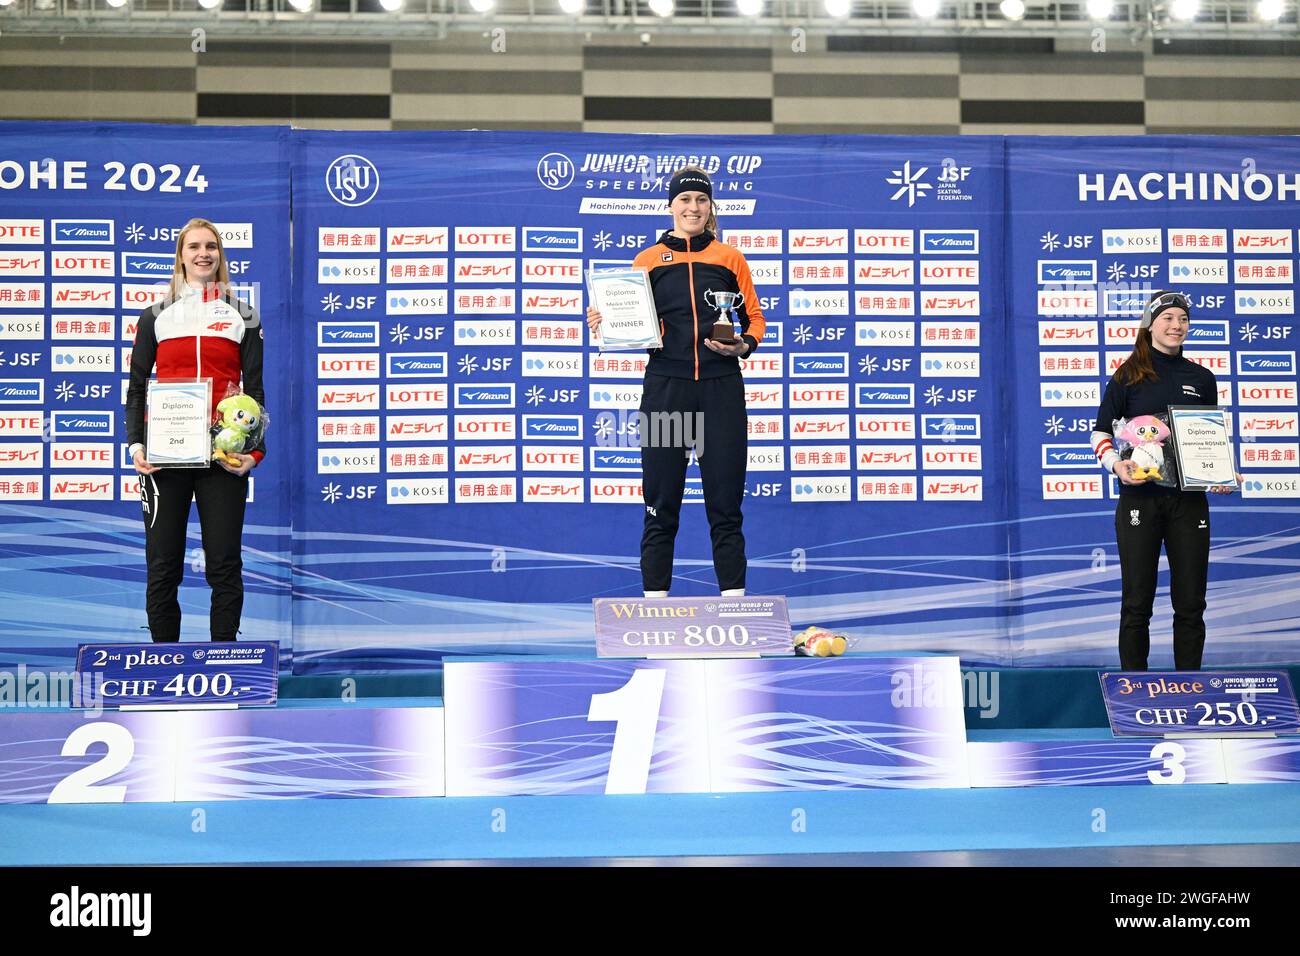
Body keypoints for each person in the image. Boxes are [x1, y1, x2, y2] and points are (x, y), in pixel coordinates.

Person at [587, 167, 766, 598]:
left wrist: (743, 347)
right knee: (660, 504)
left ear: (710, 208)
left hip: (721, 390)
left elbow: (755, 319)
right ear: (671, 207)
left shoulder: (729, 258)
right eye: (685, 200)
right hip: (667, 390)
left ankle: (734, 608)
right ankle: (654, 610)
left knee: (725, 507)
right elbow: (632, 317)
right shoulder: (647, 260)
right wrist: (605, 321)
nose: (693, 208)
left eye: (701, 201)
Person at [125, 218, 265, 643]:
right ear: (181, 256)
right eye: (194, 247)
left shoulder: (244, 315)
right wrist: (135, 444)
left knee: (224, 562)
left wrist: (254, 454)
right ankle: (164, 661)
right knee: (163, 563)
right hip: (164, 456)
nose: (203, 254)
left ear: (220, 255)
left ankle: (224, 657)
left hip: (222, 457)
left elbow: (255, 395)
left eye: (211, 246)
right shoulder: (156, 316)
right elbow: (135, 389)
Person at [1091, 289, 1236, 671]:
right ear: (1150, 324)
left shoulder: (1202, 378)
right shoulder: (1128, 375)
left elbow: (1207, 436)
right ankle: (1134, 693)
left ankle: (1189, 690)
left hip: (1189, 502)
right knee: (1137, 601)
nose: (1177, 326)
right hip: (1140, 499)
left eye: (1183, 319)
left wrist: (1221, 470)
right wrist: (1114, 464)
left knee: (1191, 602)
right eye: (1168, 318)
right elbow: (1100, 431)